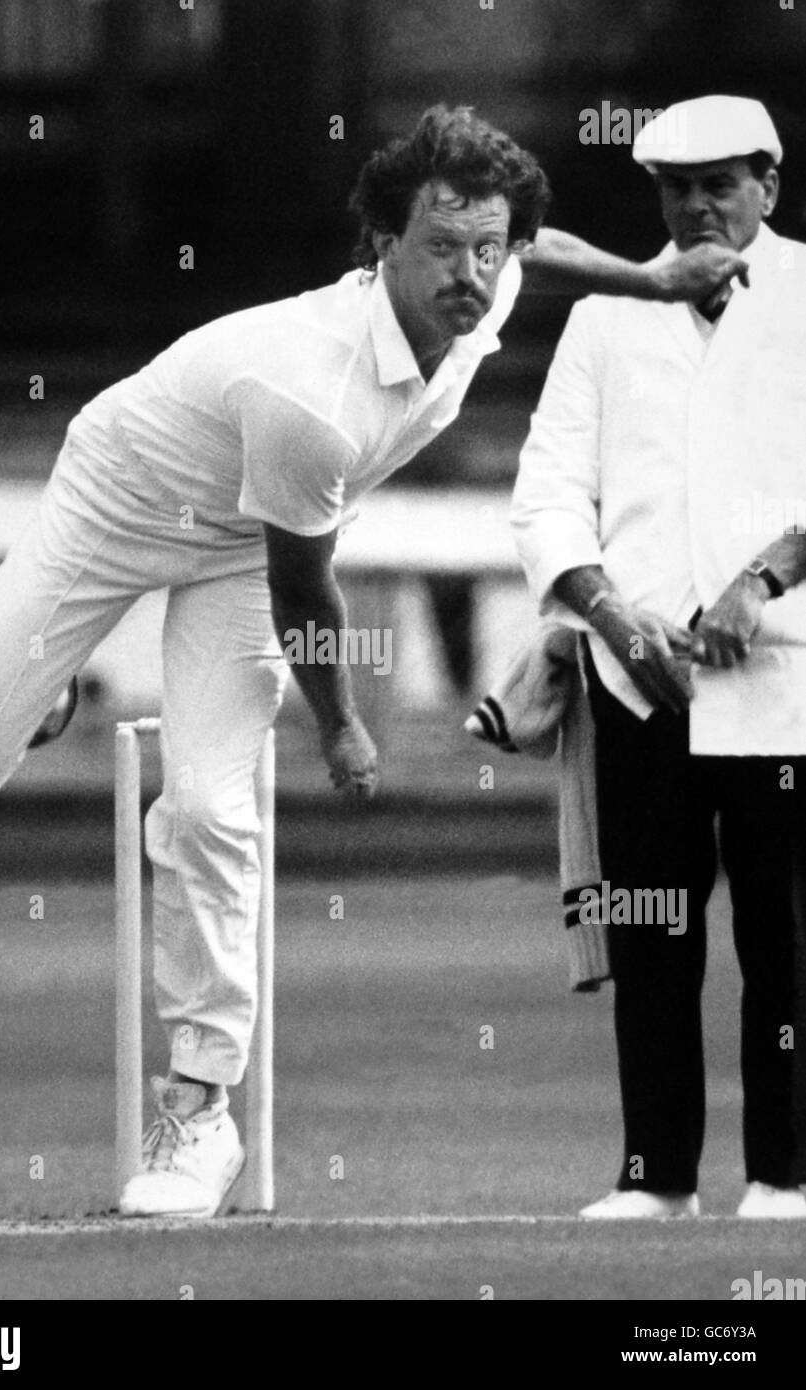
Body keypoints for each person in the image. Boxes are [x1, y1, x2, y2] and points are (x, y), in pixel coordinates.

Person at [0, 104, 744, 1219]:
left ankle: (198, 1110)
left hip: (237, 558)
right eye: (441, 247)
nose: (471, 270)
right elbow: (310, 589)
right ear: (382, 247)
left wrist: (650, 280)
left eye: (484, 246)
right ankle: (47, 685)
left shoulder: (486, 274)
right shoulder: (314, 394)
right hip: (121, 496)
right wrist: (342, 728)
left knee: (209, 810)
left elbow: (533, 249)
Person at [511, 95, 806, 1220]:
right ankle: (656, 1175)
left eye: (719, 182)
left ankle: (783, 1172)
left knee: (780, 940)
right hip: (637, 676)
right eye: (675, 186)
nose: (694, 204)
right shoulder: (606, 316)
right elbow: (547, 492)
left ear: (766, 186)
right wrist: (613, 616)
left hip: (776, 673)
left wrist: (759, 581)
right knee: (651, 933)